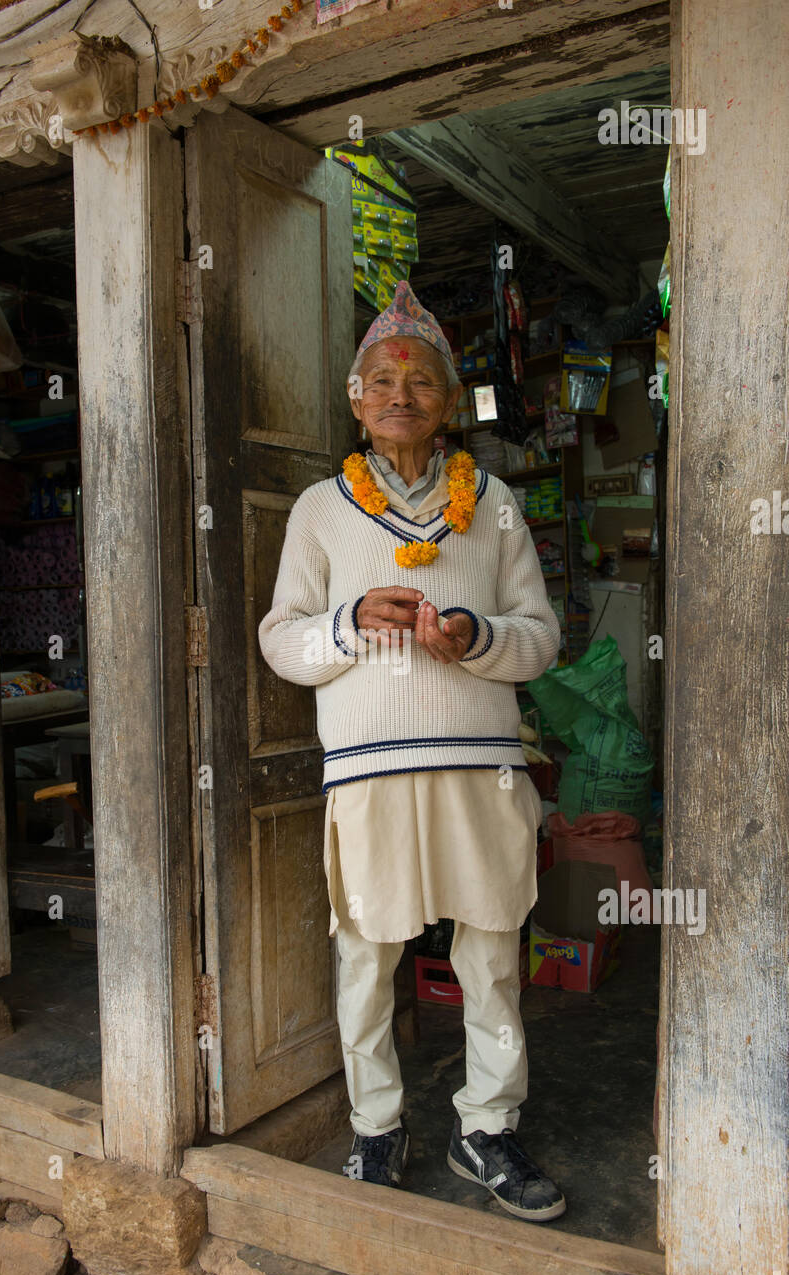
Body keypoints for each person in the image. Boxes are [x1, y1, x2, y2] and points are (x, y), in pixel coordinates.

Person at [259, 281, 565, 1221]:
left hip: (480, 762)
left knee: (492, 950)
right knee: (366, 951)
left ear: (448, 400)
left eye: (422, 379)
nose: (401, 393)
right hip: (369, 770)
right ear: (356, 401)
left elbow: (543, 636)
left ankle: (488, 1129)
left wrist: (476, 636)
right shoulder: (319, 508)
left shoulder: (497, 501)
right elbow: (280, 638)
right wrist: (349, 623)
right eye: (382, 379)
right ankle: (376, 1126)